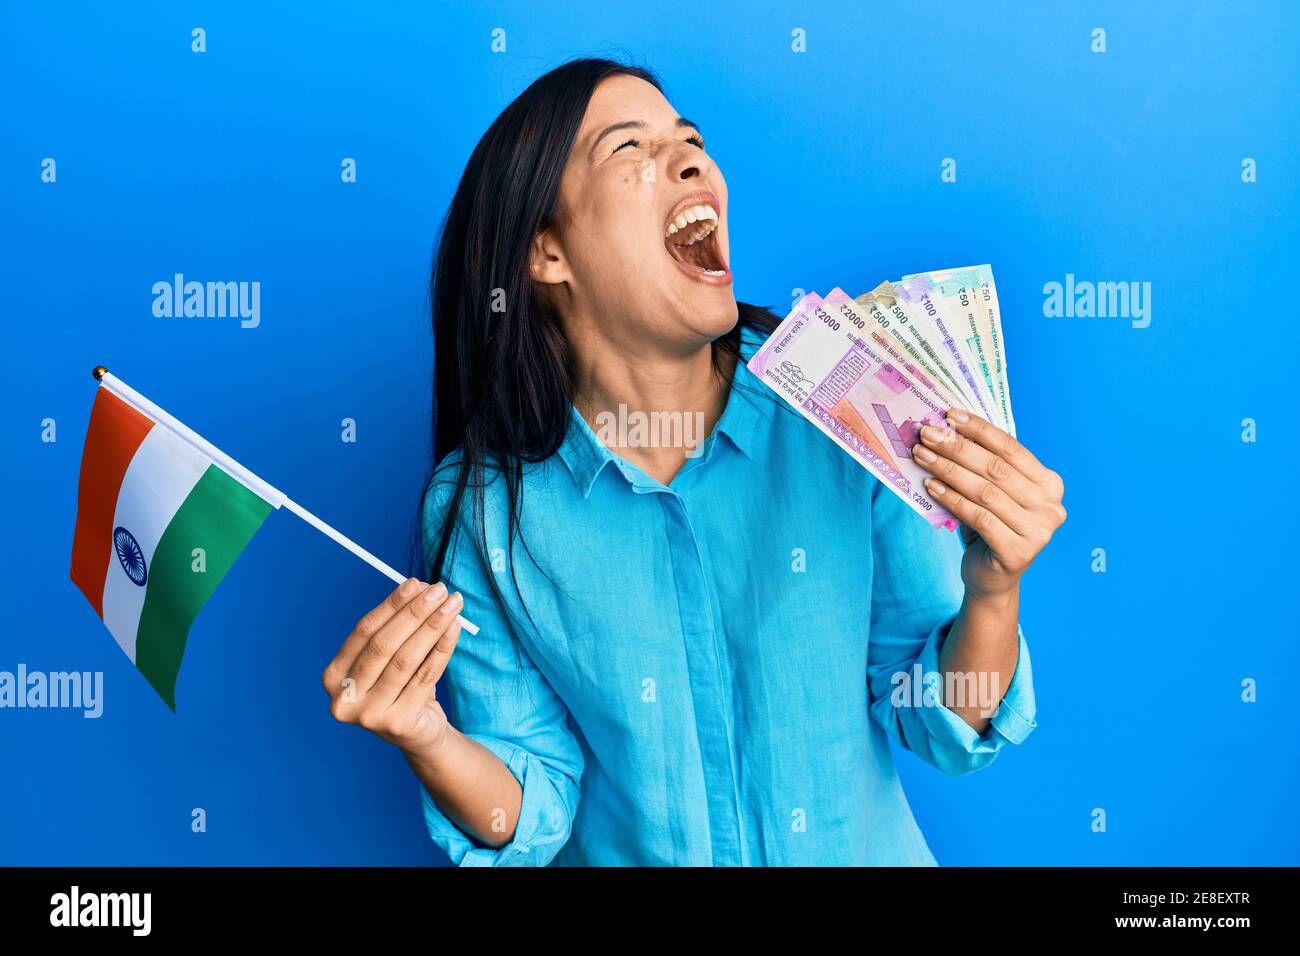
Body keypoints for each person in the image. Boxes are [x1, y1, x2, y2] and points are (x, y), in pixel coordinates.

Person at [322, 57, 1067, 866]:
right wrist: (428, 736)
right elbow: (526, 817)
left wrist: (994, 589)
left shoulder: (842, 404)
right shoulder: (486, 511)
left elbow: (937, 720)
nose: (690, 160)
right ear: (546, 255)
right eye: (629, 149)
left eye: (691, 141)